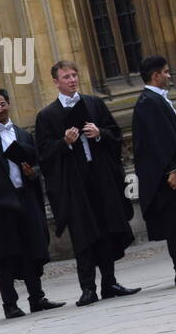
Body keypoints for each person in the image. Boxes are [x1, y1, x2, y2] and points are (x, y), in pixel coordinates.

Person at [34, 60, 138, 306]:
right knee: (83, 234)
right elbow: (43, 153)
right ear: (56, 82)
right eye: (66, 77)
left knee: (106, 228)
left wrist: (99, 133)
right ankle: (88, 288)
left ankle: (109, 282)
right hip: (74, 182)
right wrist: (65, 142)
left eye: (73, 75)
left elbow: (115, 134)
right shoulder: (47, 115)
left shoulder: (93, 103)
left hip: (99, 176)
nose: (71, 80)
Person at [0, 88, 64, 318]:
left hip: (24, 197)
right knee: (6, 254)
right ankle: (10, 304)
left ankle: (37, 297)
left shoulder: (22, 134)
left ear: (9, 104)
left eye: (3, 104)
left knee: (31, 248)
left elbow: (37, 163)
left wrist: (32, 173)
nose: (0, 109)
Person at [131, 55, 176, 285]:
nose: (169, 75)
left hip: (174, 169)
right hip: (169, 175)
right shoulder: (148, 102)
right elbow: (156, 141)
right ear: (155, 75)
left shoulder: (157, 99)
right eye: (166, 71)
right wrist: (172, 170)